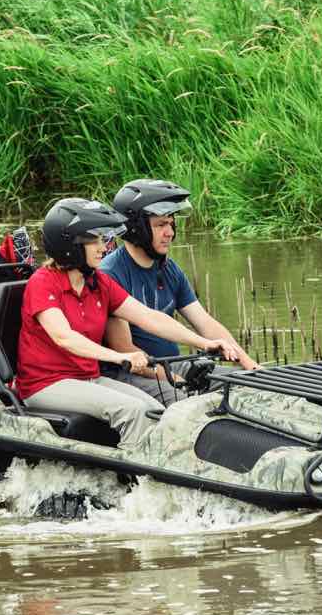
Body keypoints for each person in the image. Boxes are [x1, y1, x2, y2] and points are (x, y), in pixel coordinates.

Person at [15, 198, 240, 449]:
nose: (104, 247)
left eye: (103, 239)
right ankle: (140, 482)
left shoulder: (98, 282)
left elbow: (149, 317)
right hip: (47, 384)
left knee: (155, 410)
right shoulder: (43, 282)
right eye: (95, 240)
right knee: (133, 411)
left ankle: (158, 471)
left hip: (88, 377)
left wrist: (206, 342)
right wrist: (121, 357)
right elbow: (64, 337)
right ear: (70, 245)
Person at [100, 179, 259, 404]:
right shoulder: (111, 274)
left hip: (175, 364)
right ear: (136, 229)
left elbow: (205, 323)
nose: (170, 233)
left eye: (171, 224)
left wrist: (249, 364)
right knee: (188, 405)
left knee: (249, 386)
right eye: (160, 225)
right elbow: (123, 347)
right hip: (134, 373)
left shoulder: (169, 268)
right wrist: (174, 380)